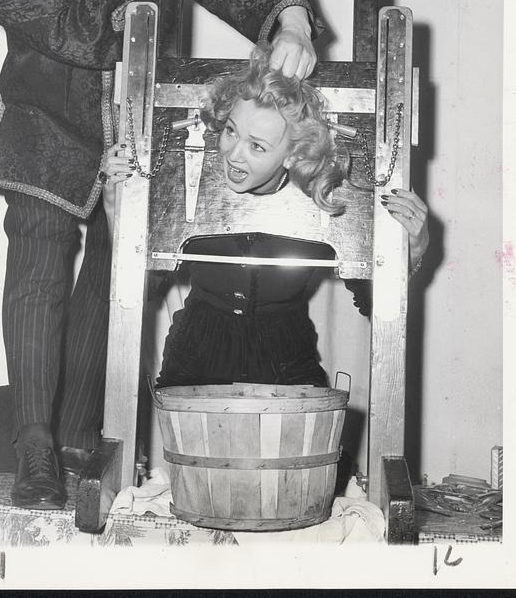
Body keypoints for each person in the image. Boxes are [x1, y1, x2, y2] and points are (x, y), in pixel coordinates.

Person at [0, 0, 321, 509]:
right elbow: (89, 39)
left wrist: (293, 22)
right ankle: (34, 449)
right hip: (42, 133)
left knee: (114, 278)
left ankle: (80, 442)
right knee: (39, 274)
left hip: (134, 134)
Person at [103, 47, 430, 387]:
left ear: (293, 155)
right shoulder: (184, 181)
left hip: (287, 359)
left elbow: (375, 303)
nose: (234, 154)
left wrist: (414, 249)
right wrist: (114, 209)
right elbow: (141, 287)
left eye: (257, 146)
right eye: (231, 131)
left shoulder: (327, 198)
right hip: (196, 354)